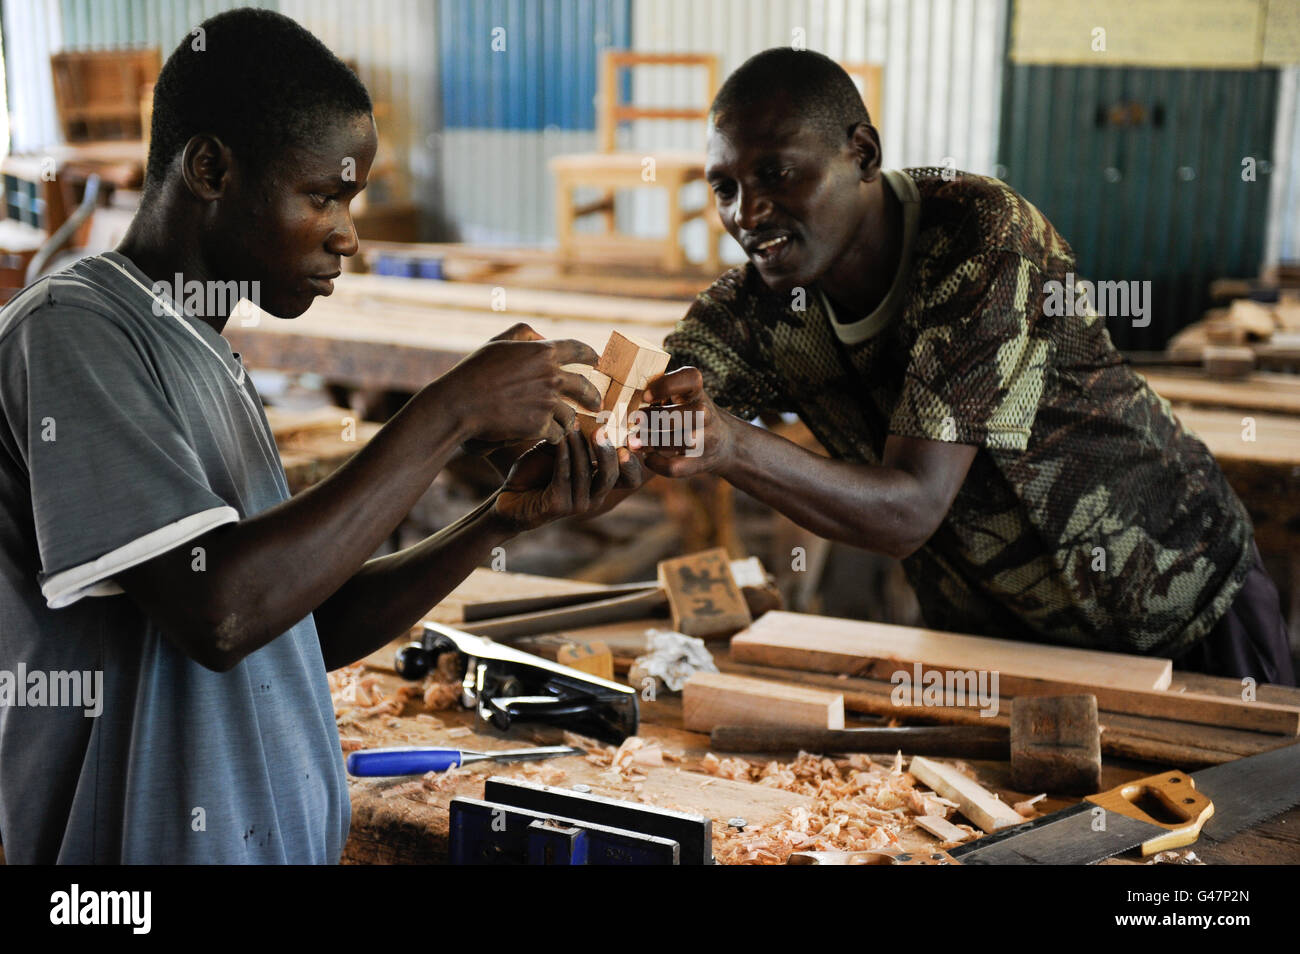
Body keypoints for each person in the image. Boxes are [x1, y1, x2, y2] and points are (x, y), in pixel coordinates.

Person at [0, 8, 617, 863]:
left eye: (352, 199)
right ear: (210, 168)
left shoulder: (208, 356)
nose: (348, 235)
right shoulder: (74, 333)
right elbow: (219, 612)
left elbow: (296, 623)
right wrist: (446, 414)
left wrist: (498, 521)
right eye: (322, 195)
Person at [628, 48, 1294, 685]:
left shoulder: (983, 236)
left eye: (776, 173)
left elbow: (910, 508)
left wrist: (731, 444)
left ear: (862, 153)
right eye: (725, 187)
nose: (747, 213)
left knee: (1236, 800)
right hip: (996, 637)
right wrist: (583, 437)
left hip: (1179, 603)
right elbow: (649, 420)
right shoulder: (754, 309)